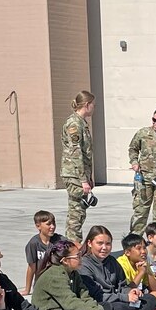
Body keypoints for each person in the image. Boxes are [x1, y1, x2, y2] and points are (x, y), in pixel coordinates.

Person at [79, 227, 156, 310]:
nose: (104, 248)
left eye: (108, 244)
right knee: (118, 308)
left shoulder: (112, 261)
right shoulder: (84, 264)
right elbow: (97, 295)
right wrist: (125, 297)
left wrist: (131, 291)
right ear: (90, 243)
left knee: (150, 298)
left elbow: (122, 285)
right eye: (100, 243)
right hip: (102, 302)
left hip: (119, 299)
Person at [31, 240, 107, 310]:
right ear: (65, 260)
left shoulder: (73, 272)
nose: (81, 259)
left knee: (106, 307)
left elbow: (85, 296)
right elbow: (70, 302)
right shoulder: (55, 275)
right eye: (77, 257)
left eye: (80, 255)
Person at [60, 90, 96, 242]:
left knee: (79, 210)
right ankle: (72, 246)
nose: (94, 108)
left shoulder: (81, 123)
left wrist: (88, 177)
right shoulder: (74, 124)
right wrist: (83, 180)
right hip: (74, 174)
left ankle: (72, 244)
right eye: (93, 105)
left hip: (79, 174)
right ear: (87, 105)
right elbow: (76, 153)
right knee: (76, 212)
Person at [24, 210, 62, 294]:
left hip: (58, 283)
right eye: (48, 224)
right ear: (38, 226)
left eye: (53, 223)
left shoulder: (59, 240)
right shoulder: (33, 244)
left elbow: (73, 245)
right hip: (41, 285)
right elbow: (31, 268)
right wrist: (27, 289)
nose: (52, 227)